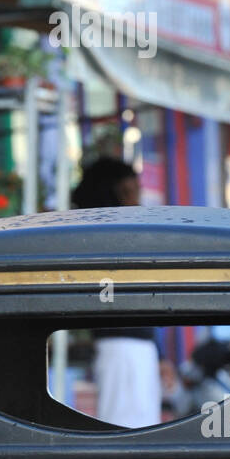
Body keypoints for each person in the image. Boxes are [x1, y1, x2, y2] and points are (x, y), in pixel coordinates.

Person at [71, 156, 164, 429]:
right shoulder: (108, 236)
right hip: (123, 350)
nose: (138, 199)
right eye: (131, 190)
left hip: (131, 349)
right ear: (117, 193)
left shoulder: (105, 235)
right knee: (130, 433)